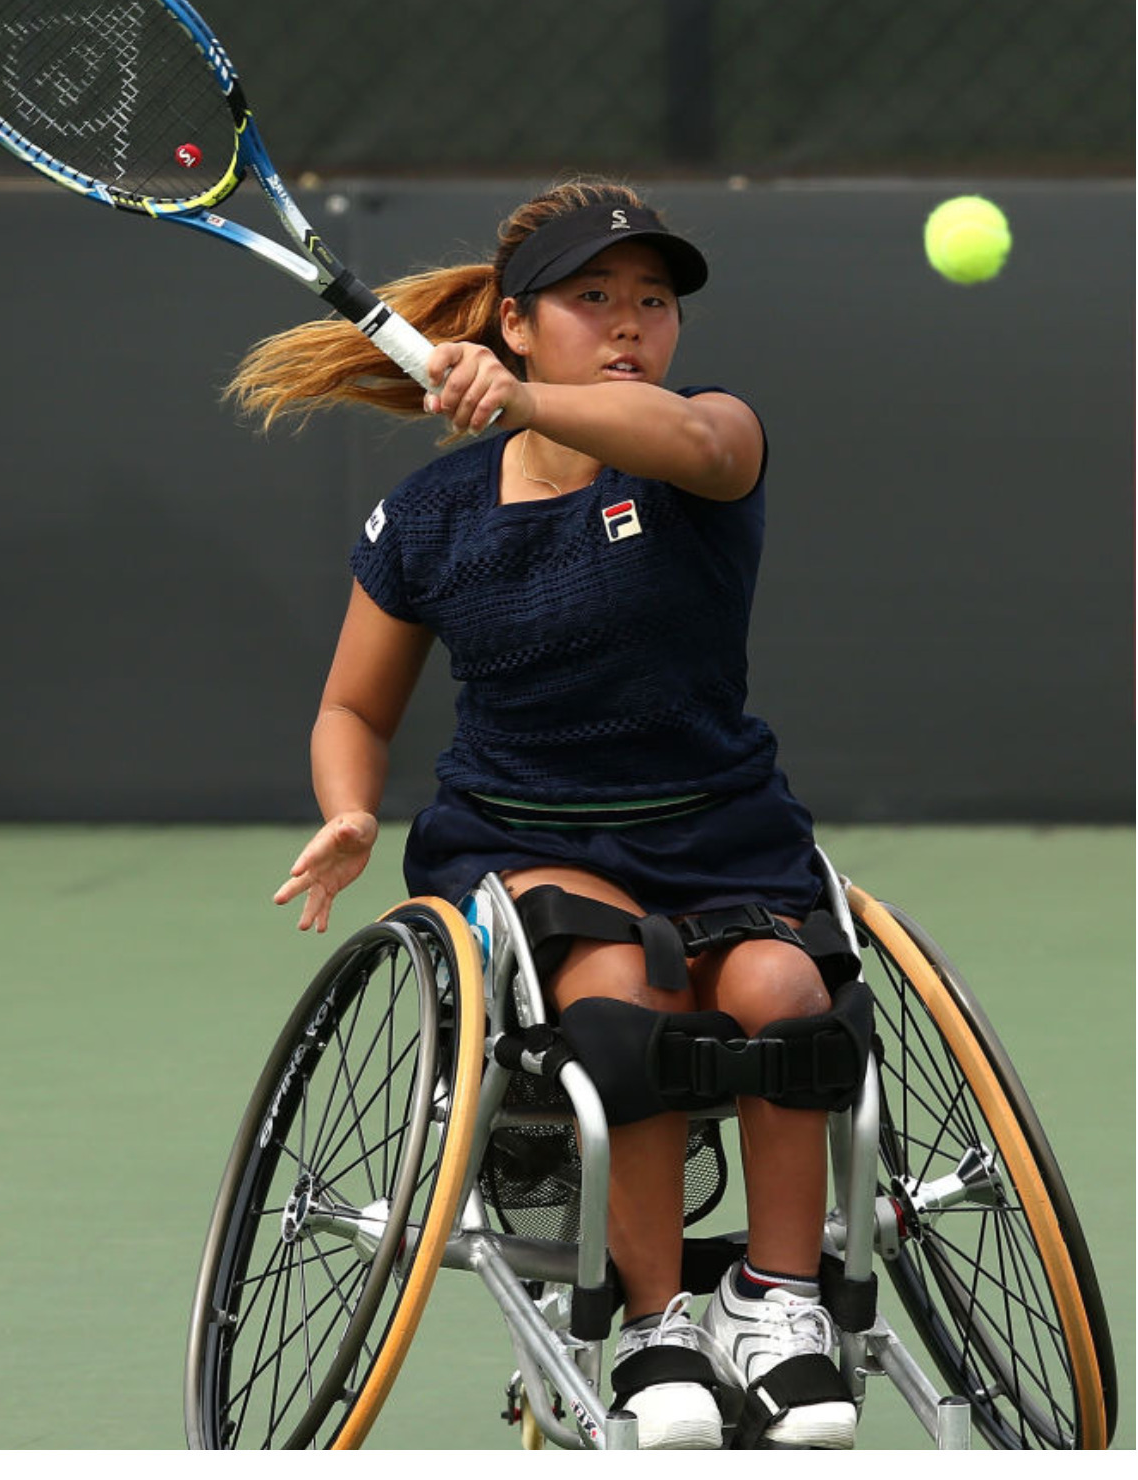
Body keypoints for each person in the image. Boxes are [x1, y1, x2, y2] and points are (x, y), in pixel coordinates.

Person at [228, 180, 856, 1449]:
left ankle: (777, 1303)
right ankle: (656, 1322)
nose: (630, 323)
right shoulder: (432, 517)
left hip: (718, 829)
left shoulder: (711, 438)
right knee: (626, 1000)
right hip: (524, 839)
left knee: (788, 995)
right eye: (593, 298)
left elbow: (687, 441)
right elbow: (351, 706)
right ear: (514, 323)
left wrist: (523, 400)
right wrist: (348, 811)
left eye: (653, 301)